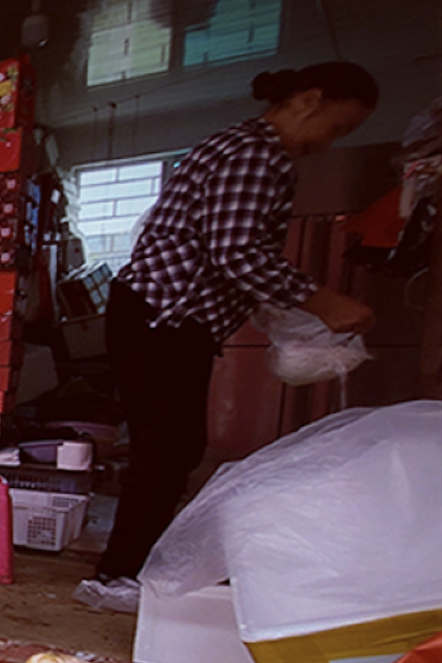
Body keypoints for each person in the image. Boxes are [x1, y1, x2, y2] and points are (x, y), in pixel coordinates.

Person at [80, 62, 379, 612]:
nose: (328, 143)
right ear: (309, 100)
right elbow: (236, 251)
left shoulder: (245, 149)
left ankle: (128, 570)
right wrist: (323, 302)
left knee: (170, 448)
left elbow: (231, 253)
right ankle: (121, 574)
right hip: (165, 316)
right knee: (166, 450)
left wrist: (280, 311)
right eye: (336, 127)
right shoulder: (256, 153)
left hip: (162, 315)